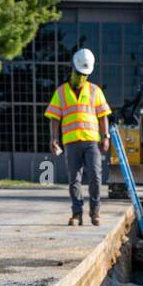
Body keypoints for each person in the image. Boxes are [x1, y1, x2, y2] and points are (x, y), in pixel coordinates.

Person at [45, 48, 112, 226]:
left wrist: (106, 137)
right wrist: (54, 138)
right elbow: (54, 117)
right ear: (72, 69)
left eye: (85, 74)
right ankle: (77, 214)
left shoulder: (95, 91)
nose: (81, 77)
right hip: (71, 142)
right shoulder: (61, 92)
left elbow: (103, 115)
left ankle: (95, 212)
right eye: (79, 73)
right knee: (74, 180)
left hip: (91, 141)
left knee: (96, 177)